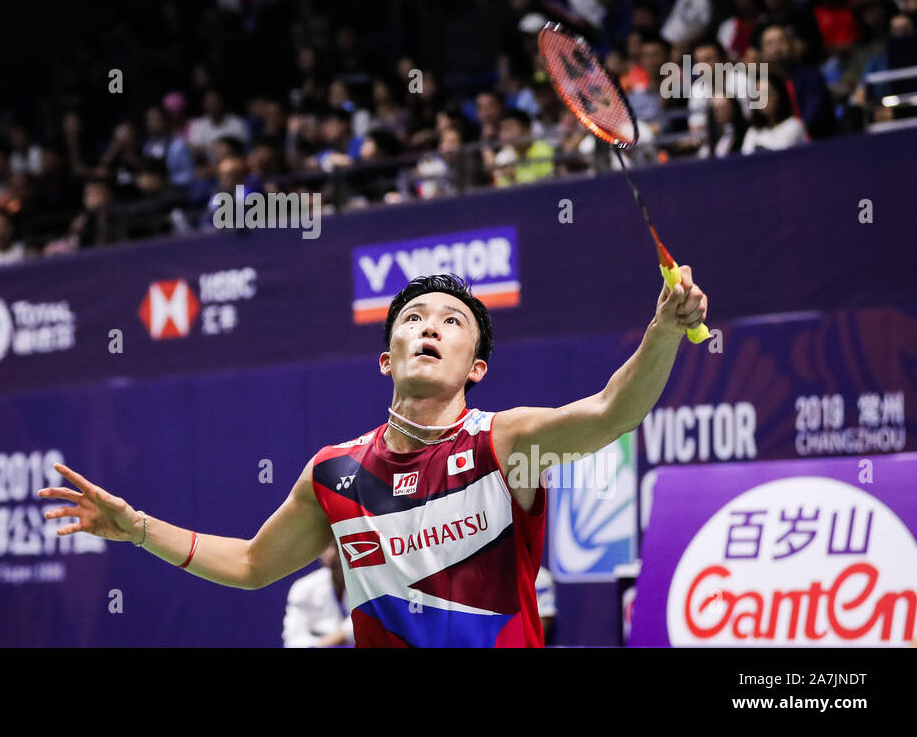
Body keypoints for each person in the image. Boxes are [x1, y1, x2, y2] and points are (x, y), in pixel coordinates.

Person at [39, 270, 709, 647]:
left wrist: (663, 329)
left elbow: (612, 412)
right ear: (387, 358)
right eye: (415, 317)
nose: (430, 327)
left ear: (475, 367)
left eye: (452, 321)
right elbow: (249, 566)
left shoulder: (505, 442)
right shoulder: (336, 473)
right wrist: (136, 528)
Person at [282, 543, 352, 648]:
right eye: (326, 546)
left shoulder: (366, 584)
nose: (331, 554)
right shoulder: (304, 588)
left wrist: (343, 635)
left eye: (336, 547)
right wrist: (326, 643)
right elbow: (292, 640)